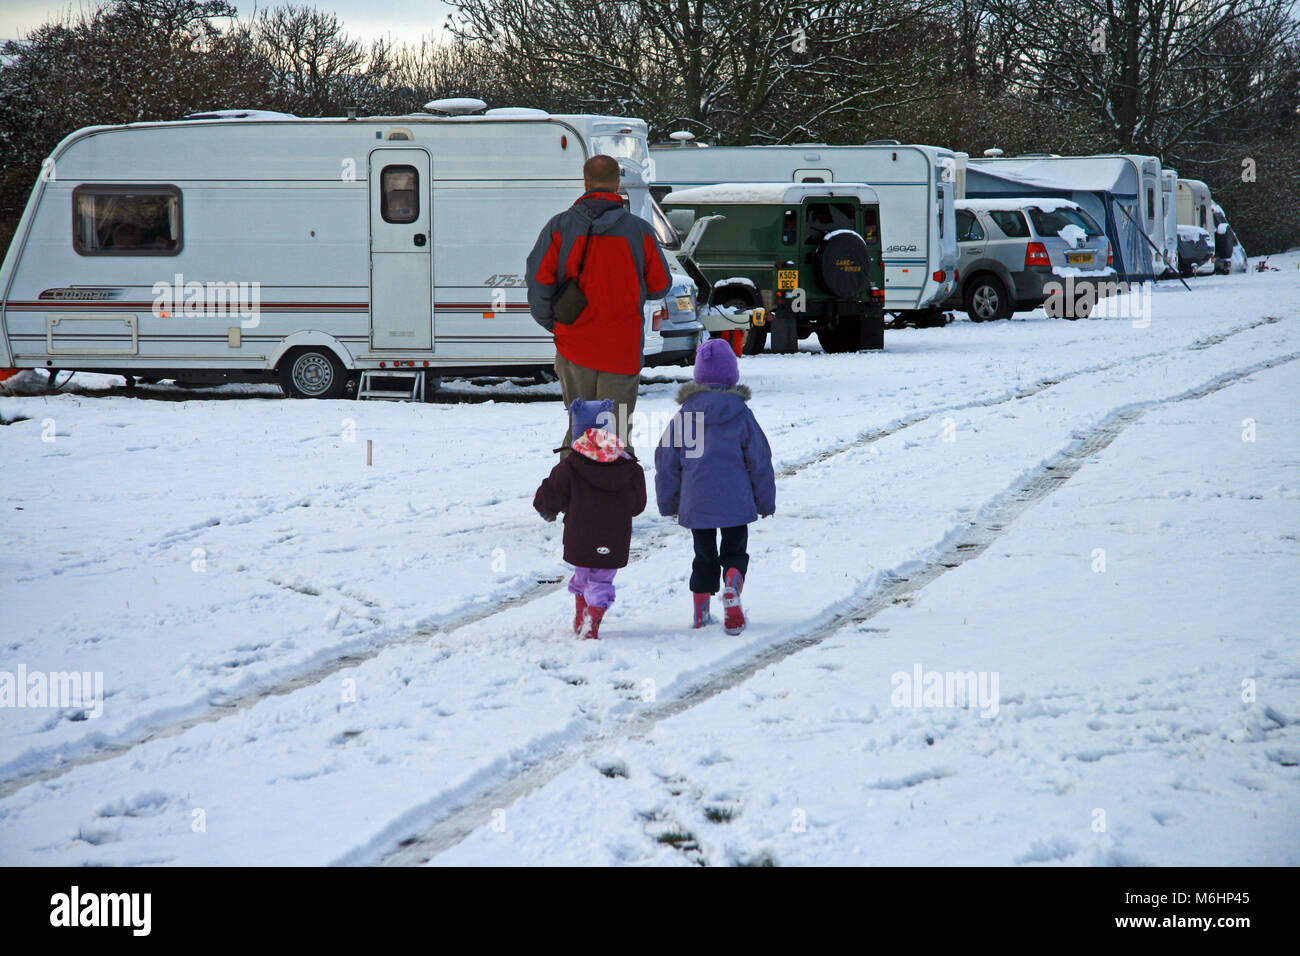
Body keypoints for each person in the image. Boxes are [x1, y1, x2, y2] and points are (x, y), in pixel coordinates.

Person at [526, 154, 671, 455]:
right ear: (618, 184)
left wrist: (554, 323)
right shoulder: (640, 231)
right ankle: (613, 498)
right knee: (614, 432)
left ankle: (575, 495)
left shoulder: (559, 227)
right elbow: (660, 286)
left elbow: (538, 280)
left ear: (586, 183)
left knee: (579, 427)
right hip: (622, 348)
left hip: (574, 345)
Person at [655, 338, 775, 634]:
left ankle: (701, 613)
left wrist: (669, 502)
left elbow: (666, 461)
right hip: (736, 500)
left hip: (697, 502)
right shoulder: (741, 414)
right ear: (732, 375)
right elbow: (760, 459)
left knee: (704, 555)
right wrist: (765, 501)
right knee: (734, 550)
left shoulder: (685, 416)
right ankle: (732, 583)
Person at [534, 398, 647, 639]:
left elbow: (550, 496)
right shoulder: (629, 468)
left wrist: (546, 510)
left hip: (579, 536)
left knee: (583, 573)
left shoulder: (568, 467)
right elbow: (637, 506)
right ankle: (593, 618)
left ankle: (580, 615)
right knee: (602, 580)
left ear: (577, 434)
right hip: (614, 537)